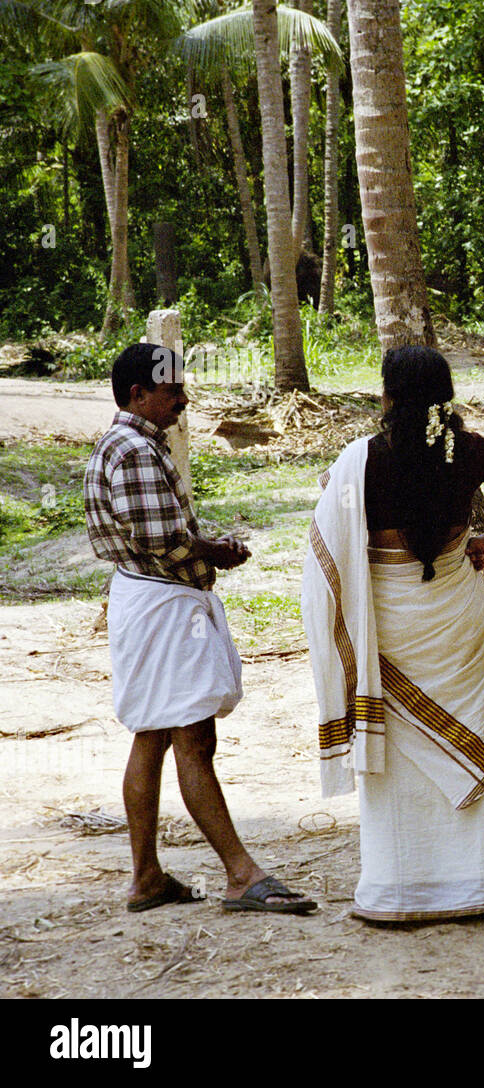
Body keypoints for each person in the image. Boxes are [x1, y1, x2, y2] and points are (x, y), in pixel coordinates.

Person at [302, 345, 484, 923]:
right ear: (445, 396)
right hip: (455, 618)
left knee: (393, 756)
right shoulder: (464, 450)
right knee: (465, 734)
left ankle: (397, 894)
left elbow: (328, 536)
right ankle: (469, 888)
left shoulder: (359, 461)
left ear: (388, 396)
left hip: (389, 624)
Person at [84, 342, 316, 915]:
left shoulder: (128, 445)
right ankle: (241, 874)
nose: (183, 400)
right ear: (138, 394)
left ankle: (146, 877)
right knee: (192, 736)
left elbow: (153, 534)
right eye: (172, 391)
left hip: (148, 600)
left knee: (154, 733)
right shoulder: (134, 449)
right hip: (163, 605)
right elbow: (165, 541)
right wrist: (215, 550)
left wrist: (207, 549)